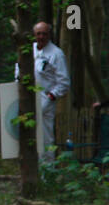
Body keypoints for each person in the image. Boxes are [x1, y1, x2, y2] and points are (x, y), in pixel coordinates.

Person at [14, 21, 70, 160]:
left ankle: (47, 171)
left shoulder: (56, 54)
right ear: (34, 35)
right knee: (27, 135)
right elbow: (18, 68)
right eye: (38, 33)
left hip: (45, 99)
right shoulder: (28, 50)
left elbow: (64, 82)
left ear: (49, 35)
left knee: (45, 137)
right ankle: (30, 169)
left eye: (44, 33)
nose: (41, 36)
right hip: (26, 97)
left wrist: (51, 96)